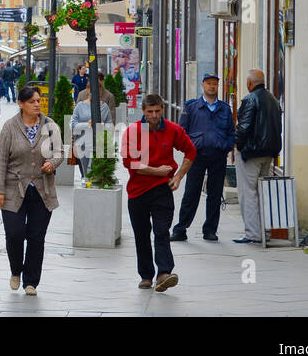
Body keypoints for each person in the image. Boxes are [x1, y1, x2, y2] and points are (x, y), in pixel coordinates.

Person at [121, 94, 195, 292]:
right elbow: (130, 163)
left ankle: (164, 273)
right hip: (137, 191)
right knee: (141, 234)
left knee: (162, 232)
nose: (154, 115)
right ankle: (146, 275)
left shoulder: (172, 129)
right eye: (149, 112)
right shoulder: (134, 131)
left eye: (157, 111)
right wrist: (157, 171)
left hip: (163, 189)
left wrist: (178, 176)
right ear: (143, 112)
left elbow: (191, 151)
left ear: (162, 109)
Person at [0, 85, 63, 294]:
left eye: (38, 100)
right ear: (21, 104)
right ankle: (16, 270)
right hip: (14, 188)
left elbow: (59, 152)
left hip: (42, 190)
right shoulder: (9, 127)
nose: (36, 104)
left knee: (36, 237)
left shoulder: (51, 126)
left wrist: (53, 163)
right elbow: (1, 161)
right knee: (14, 234)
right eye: (31, 101)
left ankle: (31, 281)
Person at [172, 74, 235, 242]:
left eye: (215, 84)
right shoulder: (192, 107)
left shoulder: (225, 109)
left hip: (218, 156)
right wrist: (189, 149)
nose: (212, 86)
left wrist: (226, 147)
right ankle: (181, 229)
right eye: (209, 83)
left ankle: (210, 230)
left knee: (214, 194)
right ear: (203, 85)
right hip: (196, 156)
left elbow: (231, 132)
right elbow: (182, 131)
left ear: (218, 86)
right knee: (191, 192)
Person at [233, 68, 284, 245]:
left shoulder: (249, 99)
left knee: (248, 193)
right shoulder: (274, 100)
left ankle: (253, 234)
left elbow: (244, 126)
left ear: (249, 83)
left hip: (251, 152)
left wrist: (238, 146)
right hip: (269, 153)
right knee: (263, 193)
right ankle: (265, 232)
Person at [70, 88, 114, 181]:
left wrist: (102, 126)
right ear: (88, 92)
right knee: (86, 172)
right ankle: (86, 186)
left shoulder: (104, 106)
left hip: (99, 143)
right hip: (83, 143)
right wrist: (88, 124)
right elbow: (73, 125)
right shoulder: (80, 106)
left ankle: (90, 187)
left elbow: (110, 125)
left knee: (94, 172)